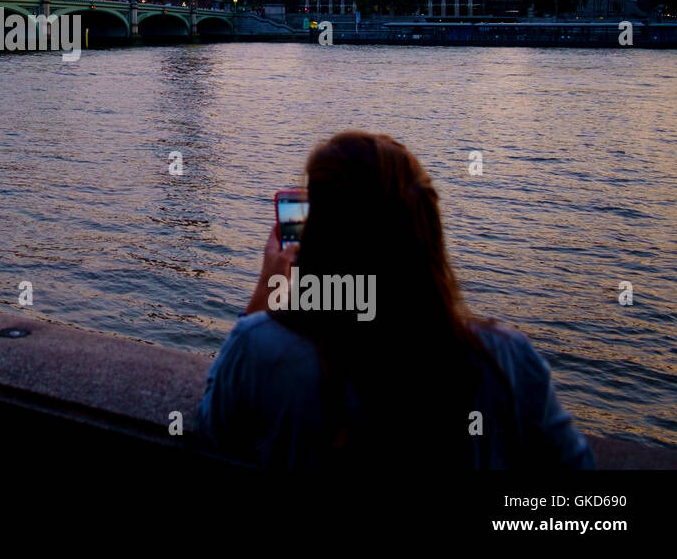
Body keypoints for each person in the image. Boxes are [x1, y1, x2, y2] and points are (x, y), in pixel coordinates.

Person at [197, 131, 594, 469]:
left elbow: (212, 429)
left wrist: (266, 293)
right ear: (427, 232)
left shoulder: (261, 349)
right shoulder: (506, 357)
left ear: (321, 235)